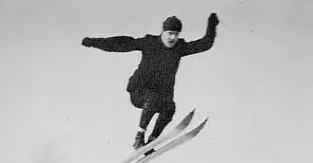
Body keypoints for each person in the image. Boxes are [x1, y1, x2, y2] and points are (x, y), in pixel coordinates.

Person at [81, 13, 220, 150]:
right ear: (163, 32)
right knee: (153, 98)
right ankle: (139, 137)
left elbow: (205, 44)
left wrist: (212, 24)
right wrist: (93, 42)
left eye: (176, 34)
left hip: (160, 97)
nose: (173, 38)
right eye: (170, 33)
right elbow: (122, 44)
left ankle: (151, 142)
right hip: (139, 92)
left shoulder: (179, 48)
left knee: (170, 108)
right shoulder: (149, 43)